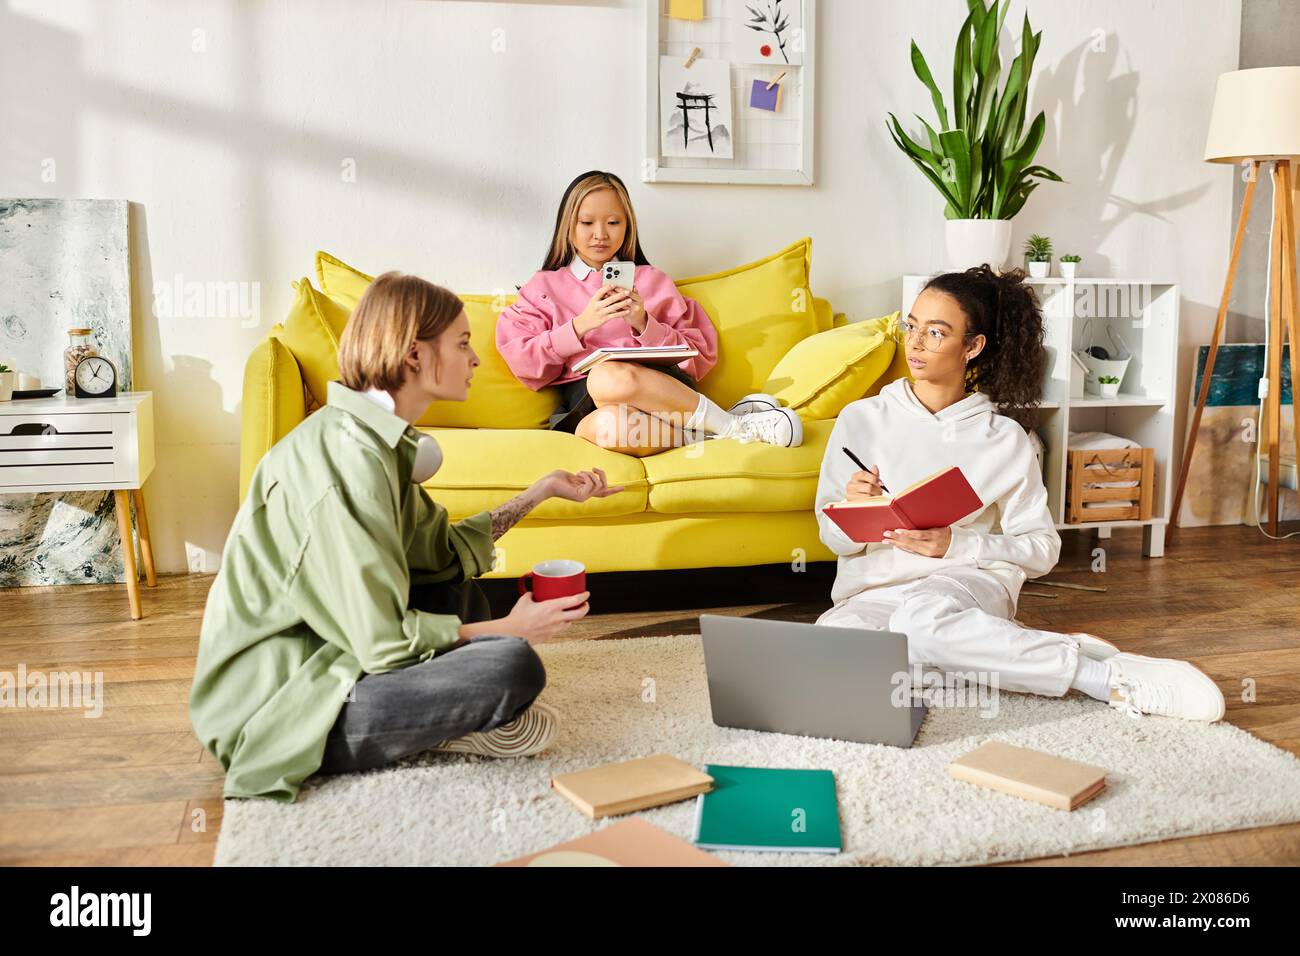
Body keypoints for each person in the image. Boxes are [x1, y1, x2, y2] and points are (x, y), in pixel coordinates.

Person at [190, 272, 623, 802]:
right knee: (512, 663)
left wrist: (542, 491)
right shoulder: (346, 464)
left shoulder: (379, 444)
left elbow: (443, 554)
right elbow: (384, 643)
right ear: (415, 356)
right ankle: (453, 721)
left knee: (458, 587)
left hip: (341, 649)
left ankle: (453, 713)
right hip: (284, 700)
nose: (476, 360)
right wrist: (512, 630)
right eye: (463, 344)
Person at [813, 265, 1224, 722]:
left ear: (972, 346)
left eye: (936, 332)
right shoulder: (861, 419)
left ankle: (1104, 677)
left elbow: (1042, 550)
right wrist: (856, 508)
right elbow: (833, 539)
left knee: (920, 624)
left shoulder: (1004, 438)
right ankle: (1002, 651)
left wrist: (958, 543)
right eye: (911, 326)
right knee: (837, 650)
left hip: (963, 581)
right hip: (875, 590)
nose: (914, 343)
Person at [495, 169, 803, 454]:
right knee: (609, 427)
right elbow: (524, 360)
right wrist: (580, 326)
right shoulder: (544, 286)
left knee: (608, 377)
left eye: (613, 222)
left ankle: (731, 425)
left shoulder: (651, 280)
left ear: (628, 226)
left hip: (662, 392)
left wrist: (644, 324)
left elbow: (697, 356)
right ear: (568, 226)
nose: (600, 234)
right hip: (587, 402)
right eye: (587, 223)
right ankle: (727, 428)